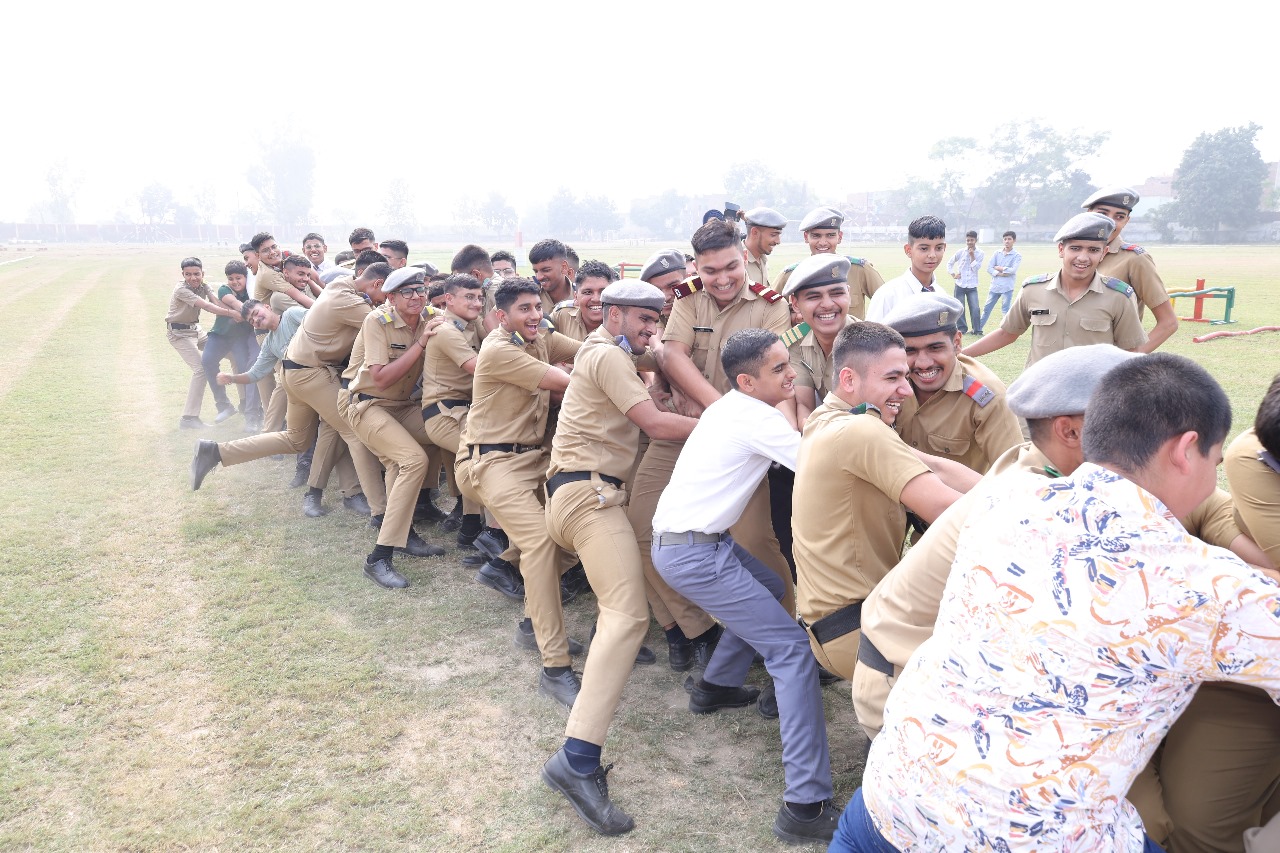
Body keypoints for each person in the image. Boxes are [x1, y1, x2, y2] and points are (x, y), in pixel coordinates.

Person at [833, 353, 1280, 853]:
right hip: (1031, 837)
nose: (1213, 480)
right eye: (1215, 464)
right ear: (1185, 449)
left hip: (888, 806)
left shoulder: (1005, 500)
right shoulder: (1210, 589)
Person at [650, 328, 840, 845]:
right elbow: (819, 466)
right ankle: (805, 805)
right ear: (747, 381)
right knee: (792, 651)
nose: (791, 373)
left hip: (693, 544)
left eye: (788, 363)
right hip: (694, 553)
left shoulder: (731, 407)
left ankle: (714, 688)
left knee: (770, 585)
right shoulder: (757, 419)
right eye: (779, 368)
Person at [539, 280, 700, 836]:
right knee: (628, 617)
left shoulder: (612, 352)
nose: (652, 326)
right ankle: (576, 760)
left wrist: (664, 357)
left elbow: (660, 363)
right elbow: (655, 424)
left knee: (625, 607)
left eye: (657, 318)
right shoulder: (607, 354)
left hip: (584, 493)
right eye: (642, 318)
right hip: (589, 496)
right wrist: (729, 425)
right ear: (613, 315)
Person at [627, 218, 792, 670]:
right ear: (696, 267)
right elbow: (673, 354)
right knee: (642, 528)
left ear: (745, 258)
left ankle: (781, 634)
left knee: (757, 542)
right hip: (687, 428)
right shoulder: (687, 298)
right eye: (710, 269)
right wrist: (716, 408)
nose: (721, 279)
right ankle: (697, 630)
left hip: (743, 445)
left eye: (731, 267)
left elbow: (773, 371)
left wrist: (724, 420)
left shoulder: (770, 306)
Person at [792, 321, 975, 684]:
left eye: (905, 376)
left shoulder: (829, 418)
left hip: (840, 625)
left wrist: (1018, 491)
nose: (906, 389)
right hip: (860, 630)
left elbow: (935, 465)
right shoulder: (861, 430)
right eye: (893, 378)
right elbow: (946, 510)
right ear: (849, 379)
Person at [459, 278, 583, 705]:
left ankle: (533, 624)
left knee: (570, 533)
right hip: (492, 461)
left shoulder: (541, 334)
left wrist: (656, 350)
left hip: (534, 458)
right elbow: (567, 381)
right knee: (541, 543)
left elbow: (589, 352)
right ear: (502, 316)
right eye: (524, 309)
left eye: (536, 307)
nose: (534, 315)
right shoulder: (498, 348)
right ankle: (555, 667)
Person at [341, 267, 447, 589]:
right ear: (390, 297)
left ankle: (413, 526)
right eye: (407, 292)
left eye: (420, 290)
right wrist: (422, 343)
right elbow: (381, 378)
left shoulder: (433, 316)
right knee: (412, 461)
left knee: (442, 431)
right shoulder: (377, 321)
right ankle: (378, 558)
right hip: (368, 405)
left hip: (404, 406)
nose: (416, 297)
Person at [963, 212, 1146, 367]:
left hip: (1090, 396)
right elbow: (1007, 333)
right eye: (1075, 248)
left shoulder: (1119, 297)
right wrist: (960, 356)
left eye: (1093, 250)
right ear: (1061, 250)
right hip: (1039, 394)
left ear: (1103, 253)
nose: (1083, 257)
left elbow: (1131, 351)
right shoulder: (1033, 290)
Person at [882, 292, 1022, 473]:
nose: (923, 363)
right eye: (910, 351)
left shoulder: (988, 397)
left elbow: (1013, 473)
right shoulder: (885, 383)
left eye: (935, 348)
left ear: (957, 343)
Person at [419, 274, 488, 557]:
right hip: (444, 414)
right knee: (481, 457)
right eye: (469, 297)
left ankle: (471, 527)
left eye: (480, 298)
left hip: (463, 410)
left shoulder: (471, 324)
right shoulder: (446, 330)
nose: (477, 303)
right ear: (448, 299)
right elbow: (481, 368)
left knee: (478, 457)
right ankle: (478, 530)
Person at [1084, 186, 1180, 352]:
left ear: (1126, 221)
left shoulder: (1135, 259)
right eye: (1103, 213)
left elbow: (1169, 322)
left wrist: (1130, 358)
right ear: (1088, 214)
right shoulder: (1075, 254)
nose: (1110, 223)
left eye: (1119, 217)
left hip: (1111, 360)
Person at [166, 257, 243, 429]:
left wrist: (235, 311)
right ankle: (188, 418)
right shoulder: (181, 290)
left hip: (196, 331)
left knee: (234, 355)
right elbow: (207, 307)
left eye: (196, 274)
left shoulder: (203, 285)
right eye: (188, 274)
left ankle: (243, 403)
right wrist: (233, 314)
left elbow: (215, 301)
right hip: (179, 334)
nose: (193, 278)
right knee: (200, 370)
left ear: (202, 273)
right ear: (183, 274)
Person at [773, 206, 884, 320]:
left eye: (830, 235)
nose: (823, 242)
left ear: (839, 237)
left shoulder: (859, 270)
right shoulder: (790, 275)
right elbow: (770, 313)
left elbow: (887, 304)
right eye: (816, 236)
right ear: (806, 237)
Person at [199, 260, 262, 431]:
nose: (234, 282)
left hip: (240, 338)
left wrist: (244, 314)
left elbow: (241, 313)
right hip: (220, 335)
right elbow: (235, 304)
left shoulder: (252, 290)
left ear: (246, 277)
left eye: (238, 278)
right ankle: (223, 405)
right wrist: (251, 312)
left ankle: (253, 411)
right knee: (207, 361)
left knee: (246, 369)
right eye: (231, 278)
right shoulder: (224, 289)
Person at [865, 216, 947, 321]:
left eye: (938, 248)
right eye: (924, 248)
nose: (932, 255)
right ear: (908, 250)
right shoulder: (888, 296)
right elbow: (872, 331)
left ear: (944, 248)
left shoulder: (942, 296)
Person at [549, 260, 616, 342]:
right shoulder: (561, 315)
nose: (596, 299)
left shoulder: (623, 324)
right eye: (588, 292)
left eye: (603, 292)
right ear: (576, 296)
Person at [980, 230, 1021, 331]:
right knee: (986, 309)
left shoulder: (1017, 255)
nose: (1007, 241)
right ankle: (978, 329)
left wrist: (999, 267)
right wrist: (1000, 273)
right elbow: (989, 268)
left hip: (1007, 287)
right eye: (1005, 239)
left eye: (1009, 239)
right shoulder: (997, 253)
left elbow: (1013, 270)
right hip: (995, 286)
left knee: (1005, 310)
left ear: (1014, 240)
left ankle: (1007, 331)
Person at [946, 230, 984, 335]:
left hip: (972, 286)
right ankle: (962, 329)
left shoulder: (980, 253)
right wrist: (953, 274)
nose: (969, 242)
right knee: (960, 308)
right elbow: (949, 263)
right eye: (968, 240)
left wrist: (972, 256)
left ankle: (977, 330)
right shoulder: (960, 252)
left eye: (972, 240)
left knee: (975, 308)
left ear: (976, 240)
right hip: (960, 285)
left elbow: (976, 268)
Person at [742, 207, 786, 290]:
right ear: (755, 232)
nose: (778, 241)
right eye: (773, 235)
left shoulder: (762, 258)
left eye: (778, 235)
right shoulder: (737, 262)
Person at [527, 239, 574, 313]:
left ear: (564, 267)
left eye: (546, 270)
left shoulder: (580, 296)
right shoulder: (529, 295)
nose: (539, 277)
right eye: (536, 271)